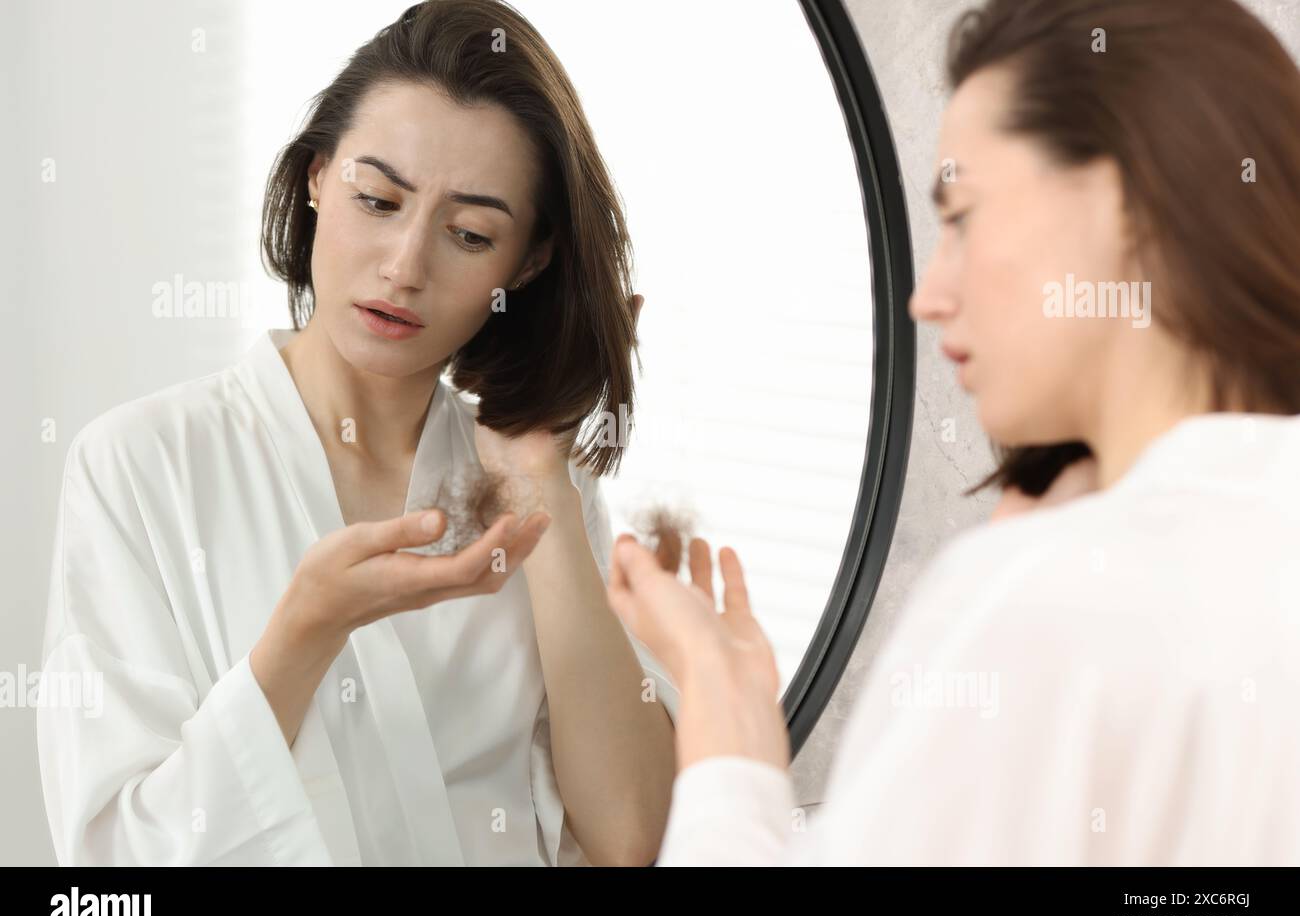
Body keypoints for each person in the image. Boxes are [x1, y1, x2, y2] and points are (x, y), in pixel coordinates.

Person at [608, 0, 1300, 866]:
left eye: (964, 218)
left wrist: (723, 741)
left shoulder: (1048, 600)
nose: (927, 296)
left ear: (1128, 205)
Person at [37, 0, 676, 867]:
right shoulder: (140, 468)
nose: (405, 266)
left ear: (527, 263)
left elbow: (632, 834)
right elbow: (113, 869)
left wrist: (544, 482)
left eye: (469, 233)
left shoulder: (539, 487)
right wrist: (303, 632)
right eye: (376, 198)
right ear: (313, 175)